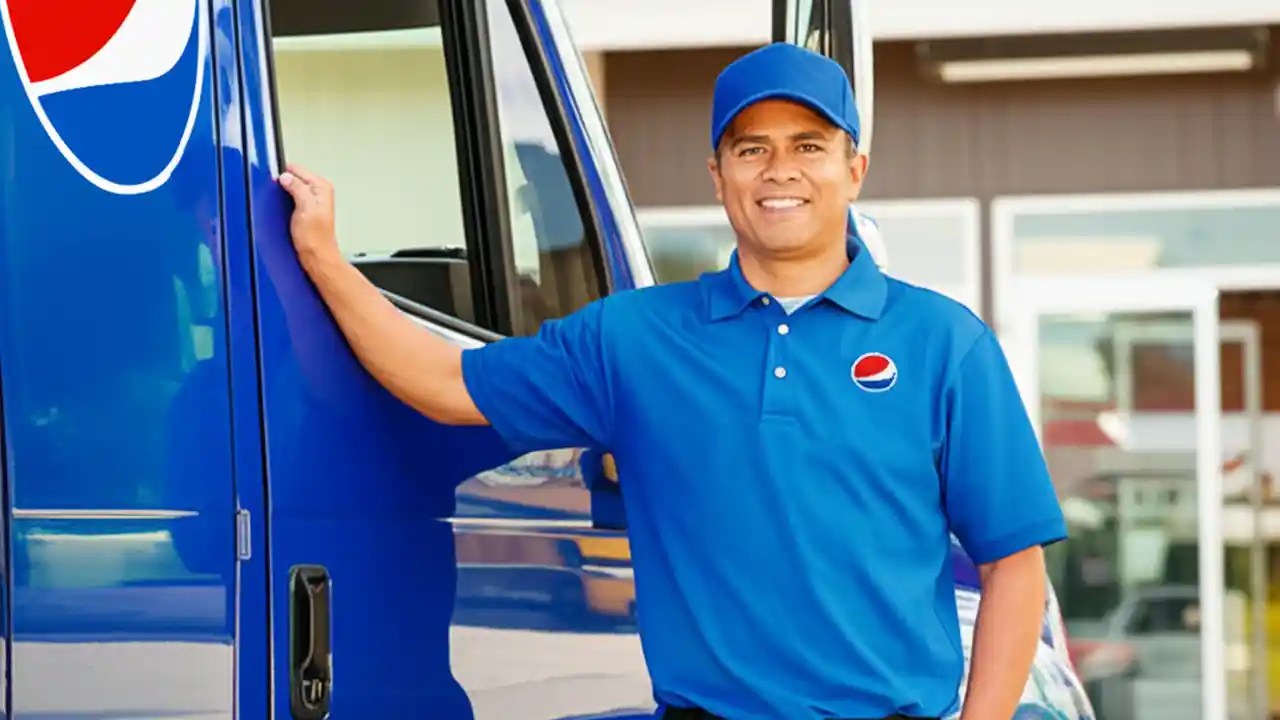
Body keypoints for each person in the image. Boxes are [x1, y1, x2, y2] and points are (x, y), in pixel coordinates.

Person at [279, 42, 1067, 720]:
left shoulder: (944, 343)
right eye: (751, 149)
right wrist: (322, 257)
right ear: (718, 174)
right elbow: (443, 382)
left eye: (809, 145)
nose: (780, 170)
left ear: (854, 169)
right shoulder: (634, 339)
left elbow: (1012, 564)